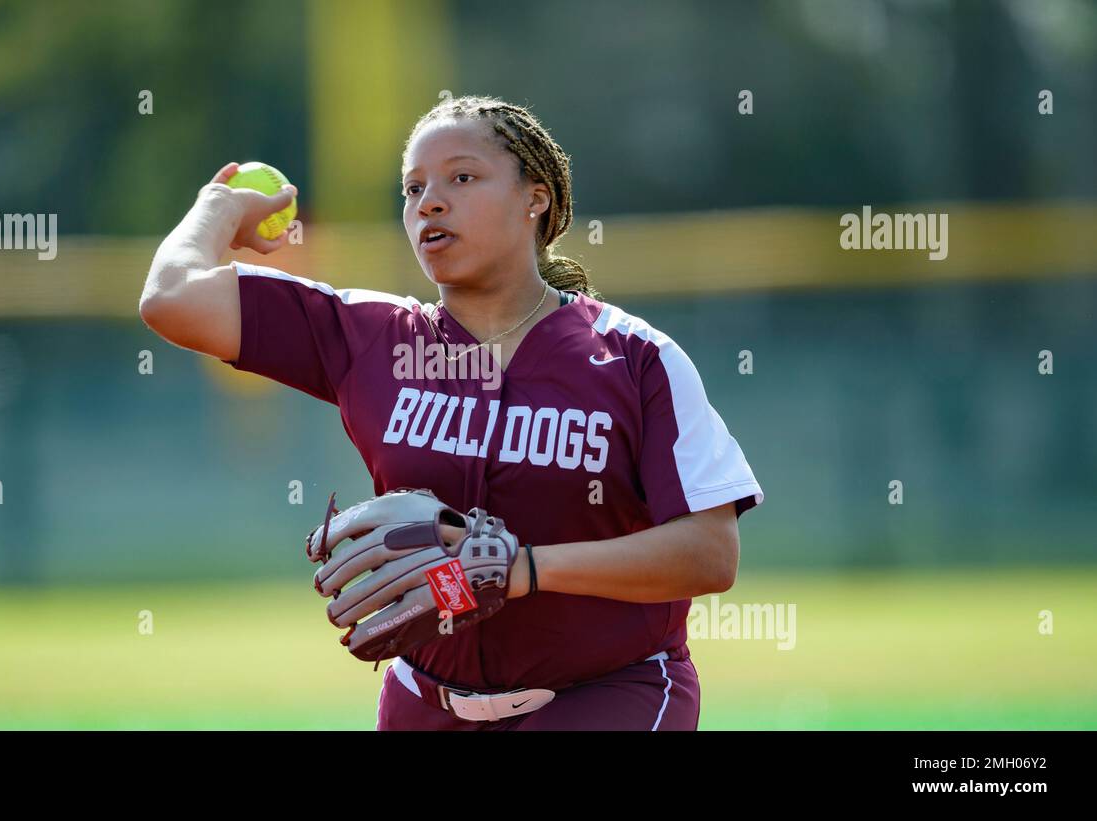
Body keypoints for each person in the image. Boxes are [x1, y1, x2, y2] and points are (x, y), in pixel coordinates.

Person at [140, 95, 764, 730]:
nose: (429, 203)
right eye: (413, 189)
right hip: (424, 703)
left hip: (607, 696)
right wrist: (217, 207)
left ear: (535, 198)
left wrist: (522, 568)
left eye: (462, 177)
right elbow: (170, 298)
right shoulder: (371, 339)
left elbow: (710, 553)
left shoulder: (634, 357)